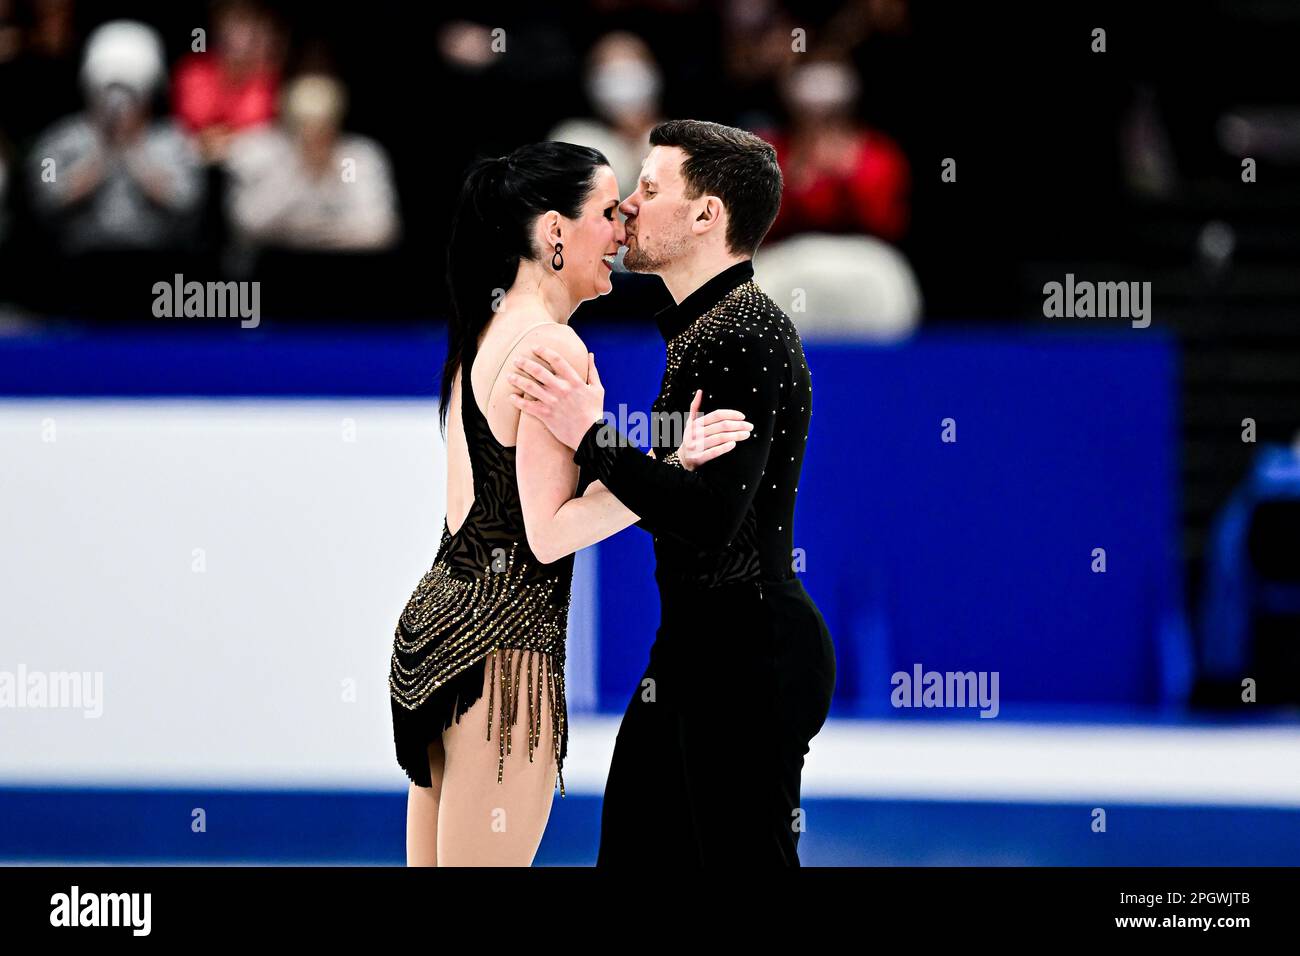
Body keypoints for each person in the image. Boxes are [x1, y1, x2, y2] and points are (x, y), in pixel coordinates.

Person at [389, 141, 751, 867]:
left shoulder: (487, 332)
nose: (623, 230)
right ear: (555, 232)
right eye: (609, 212)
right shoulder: (553, 346)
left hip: (436, 632)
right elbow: (549, 533)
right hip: (501, 652)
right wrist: (672, 467)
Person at [510, 119, 837, 866]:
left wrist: (592, 434)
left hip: (747, 652)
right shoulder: (705, 330)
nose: (626, 204)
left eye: (649, 189)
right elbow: (670, 488)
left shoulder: (740, 333)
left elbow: (710, 519)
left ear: (706, 214)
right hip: (697, 648)